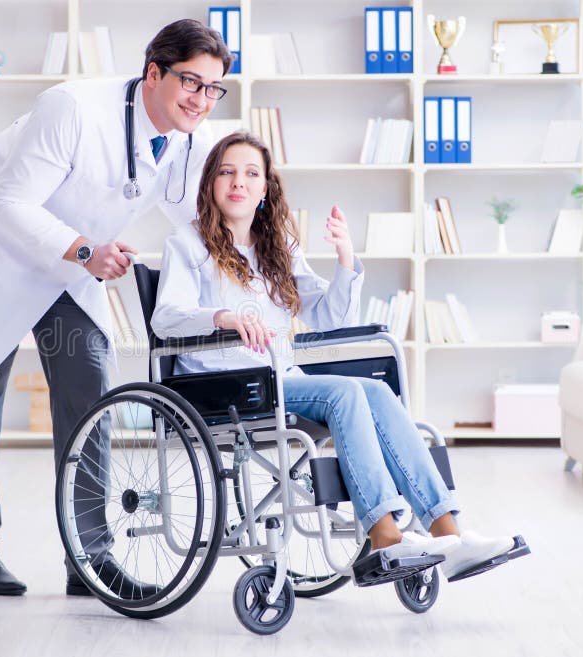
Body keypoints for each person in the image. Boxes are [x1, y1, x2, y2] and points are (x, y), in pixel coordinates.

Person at [0, 19, 234, 597]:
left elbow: (195, 218)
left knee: (90, 393)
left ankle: (88, 559)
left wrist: (256, 267)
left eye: (214, 88)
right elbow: (13, 202)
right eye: (191, 82)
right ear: (153, 72)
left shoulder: (190, 135)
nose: (202, 99)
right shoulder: (69, 108)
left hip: (71, 259)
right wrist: (85, 249)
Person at [151, 131, 517, 580]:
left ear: (265, 188)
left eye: (251, 173)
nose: (238, 182)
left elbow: (329, 315)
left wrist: (345, 258)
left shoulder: (276, 248)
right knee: (344, 394)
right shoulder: (187, 245)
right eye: (226, 172)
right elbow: (166, 319)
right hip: (220, 385)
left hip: (279, 380)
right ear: (210, 183)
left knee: (376, 391)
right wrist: (222, 316)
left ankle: (450, 532)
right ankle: (384, 534)